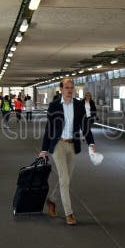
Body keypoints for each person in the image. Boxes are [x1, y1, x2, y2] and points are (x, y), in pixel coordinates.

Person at [39, 78, 96, 226]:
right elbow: (48, 129)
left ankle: (51, 200)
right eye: (67, 87)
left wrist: (91, 142)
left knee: (66, 180)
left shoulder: (79, 105)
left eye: (72, 88)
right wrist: (44, 149)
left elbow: (85, 125)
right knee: (64, 180)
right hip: (58, 144)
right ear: (61, 89)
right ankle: (69, 213)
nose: (70, 90)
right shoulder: (54, 106)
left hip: (72, 145)